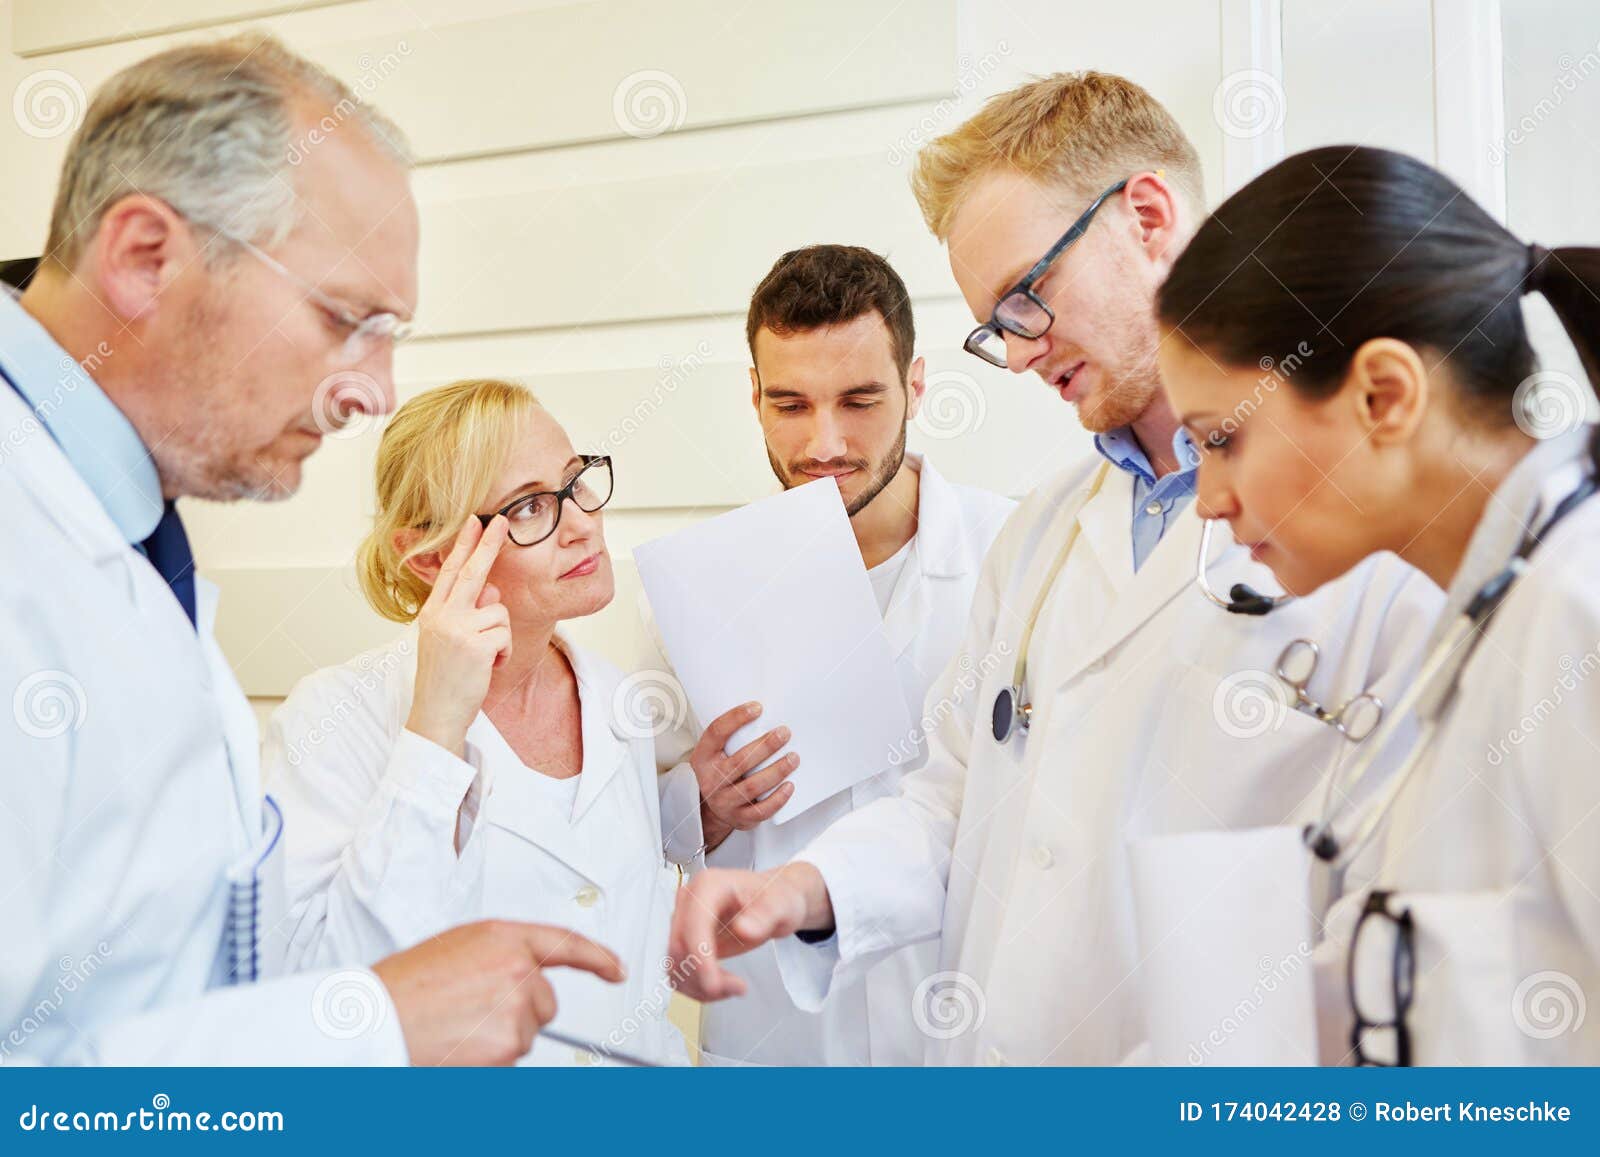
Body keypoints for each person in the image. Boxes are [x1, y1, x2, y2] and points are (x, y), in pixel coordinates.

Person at [666, 73, 1442, 1065]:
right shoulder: (1041, 532)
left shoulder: (1373, 533)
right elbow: (951, 798)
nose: (1022, 351)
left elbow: (1400, 907)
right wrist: (797, 890)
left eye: (1028, 296)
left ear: (1147, 218)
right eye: (998, 323)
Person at [0, 35, 620, 1066]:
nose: (373, 392)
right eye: (347, 319)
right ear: (145, 257)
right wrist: (372, 1029)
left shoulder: (130, 536)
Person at [1155, 144, 1600, 1065]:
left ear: (1384, 394)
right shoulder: (1486, 618)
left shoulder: (1575, 607)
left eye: (1223, 439)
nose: (1207, 497)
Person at [643, 244, 1014, 1065]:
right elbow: (635, 830)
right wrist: (700, 803)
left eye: (860, 399)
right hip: (780, 1040)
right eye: (790, 405)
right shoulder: (690, 587)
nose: (825, 442)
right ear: (753, 397)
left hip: (961, 1026)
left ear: (917, 385)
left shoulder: (1016, 554)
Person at [265, 380, 704, 1066]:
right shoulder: (337, 718)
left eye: (575, 481)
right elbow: (332, 998)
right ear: (433, 558)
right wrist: (434, 730)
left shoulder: (622, 704)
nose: (583, 521)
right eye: (531, 507)